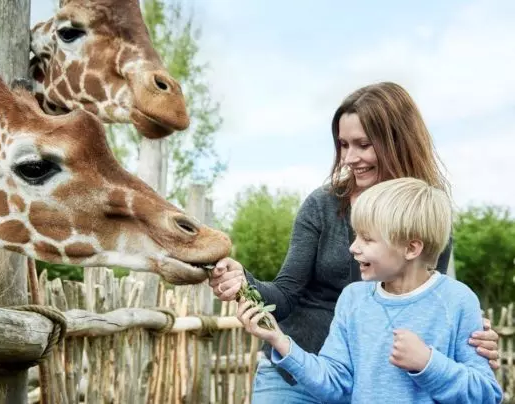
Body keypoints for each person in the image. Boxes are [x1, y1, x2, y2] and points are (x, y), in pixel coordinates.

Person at [209, 82, 501, 403]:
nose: (349, 157)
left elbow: (422, 300)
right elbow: (286, 293)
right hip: (298, 375)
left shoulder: (427, 217)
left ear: (396, 141)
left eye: (363, 144)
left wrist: (468, 334)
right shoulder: (321, 206)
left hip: (372, 383)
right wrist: (243, 283)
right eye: (343, 144)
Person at [236, 177, 503, 403]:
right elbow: (335, 382)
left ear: (411, 248)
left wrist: (427, 363)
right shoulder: (354, 299)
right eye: (355, 236)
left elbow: (487, 393)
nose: (353, 248)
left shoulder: (457, 301)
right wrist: (278, 340)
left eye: (367, 239)